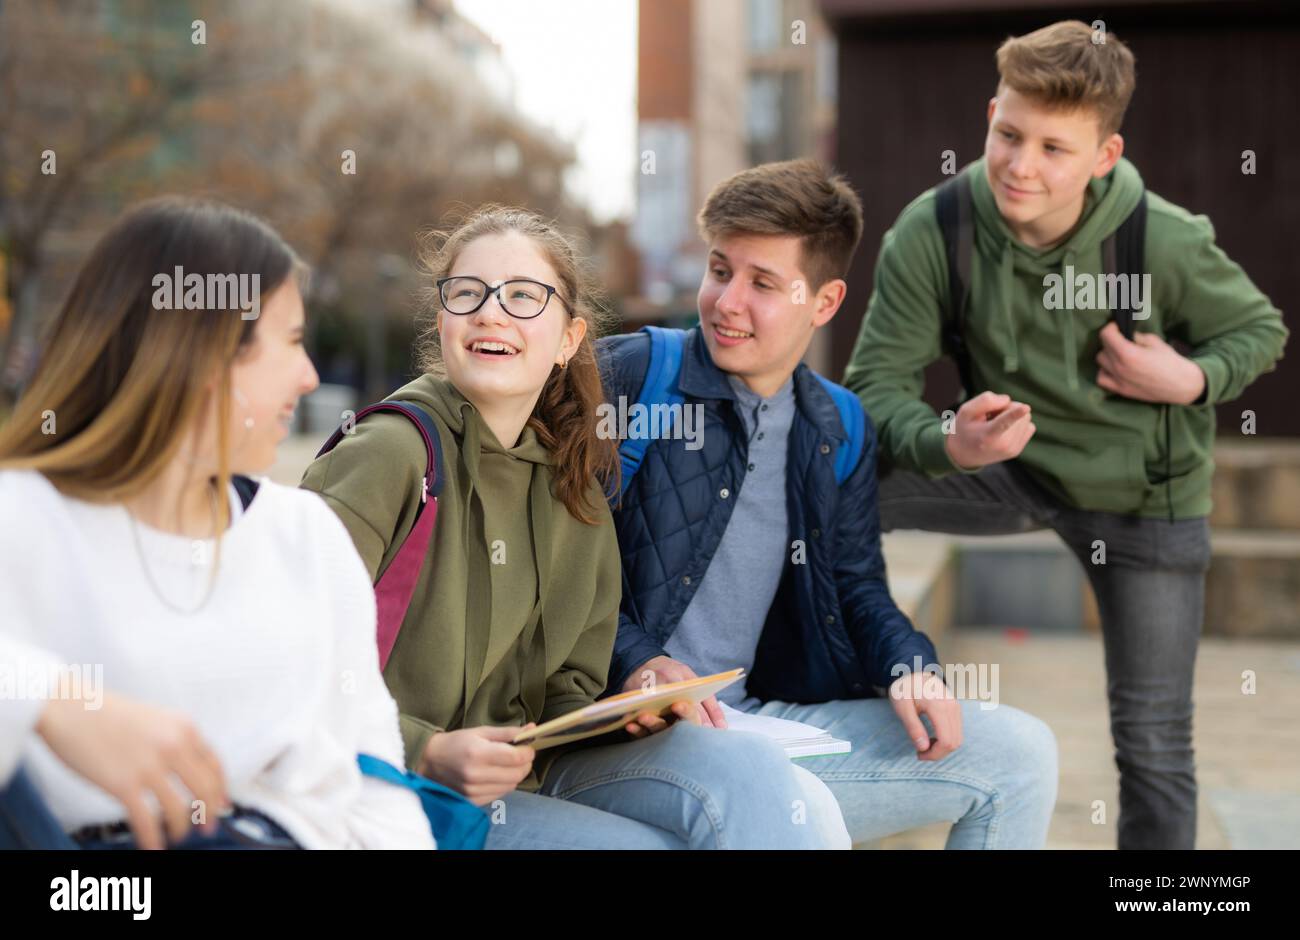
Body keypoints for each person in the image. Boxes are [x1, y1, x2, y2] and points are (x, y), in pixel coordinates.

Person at [843, 21, 1288, 849]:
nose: (1021, 165)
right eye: (1008, 134)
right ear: (989, 114)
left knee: (1154, 744)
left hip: (1143, 498)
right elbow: (874, 392)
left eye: (1055, 147)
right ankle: (818, 700)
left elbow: (1259, 331)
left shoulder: (1163, 238)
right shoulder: (934, 231)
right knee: (830, 479)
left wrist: (1191, 378)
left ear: (1105, 155)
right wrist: (949, 442)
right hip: (1007, 469)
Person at [300, 205, 848, 849]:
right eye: (467, 293)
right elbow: (277, 653)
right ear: (443, 318)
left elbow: (565, 690)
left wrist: (627, 712)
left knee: (756, 775)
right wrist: (426, 748)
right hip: (386, 787)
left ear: (568, 339)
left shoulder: (571, 486)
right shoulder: (390, 454)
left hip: (521, 775)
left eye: (525, 297)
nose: (491, 312)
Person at [599, 158, 1059, 849]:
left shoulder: (836, 425)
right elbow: (547, 572)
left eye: (762, 283)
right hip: (621, 734)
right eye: (720, 270)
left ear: (825, 301)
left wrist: (912, 665)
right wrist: (639, 660)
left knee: (1021, 754)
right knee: (794, 813)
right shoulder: (634, 377)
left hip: (756, 722)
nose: (726, 302)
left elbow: (855, 583)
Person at [0, 196, 434, 850]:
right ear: (202, 356)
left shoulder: (306, 535)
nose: (311, 376)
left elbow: (374, 777)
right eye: (291, 342)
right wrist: (47, 700)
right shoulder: (23, 516)